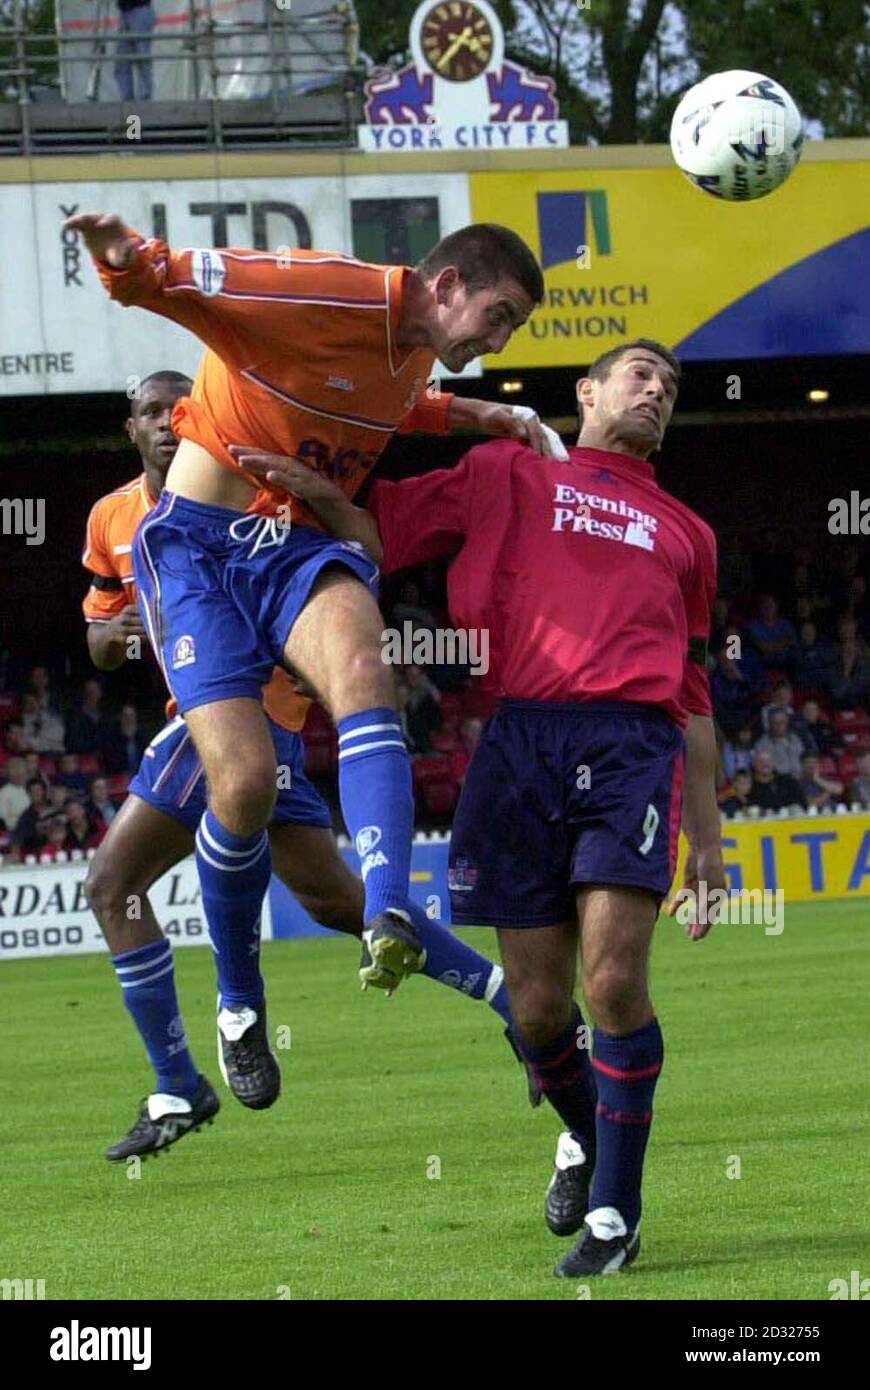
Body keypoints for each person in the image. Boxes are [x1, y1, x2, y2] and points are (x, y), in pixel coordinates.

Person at [245, 337, 725, 1279]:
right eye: (640, 375)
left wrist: (708, 840)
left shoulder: (688, 533)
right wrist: (304, 482)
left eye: (670, 385)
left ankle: (616, 1217)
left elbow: (697, 692)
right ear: (585, 392)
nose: (657, 391)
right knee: (541, 1012)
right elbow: (377, 534)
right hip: (517, 745)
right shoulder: (508, 472)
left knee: (614, 984)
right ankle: (591, 1138)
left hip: (632, 749)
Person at [67, 210, 551, 1088]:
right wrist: (124, 261)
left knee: (369, 673)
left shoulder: (413, 348)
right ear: (446, 287)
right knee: (243, 788)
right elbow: (179, 281)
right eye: (501, 315)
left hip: (292, 545)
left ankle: (391, 910)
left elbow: (394, 403)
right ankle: (239, 1006)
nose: (500, 337)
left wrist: (483, 414)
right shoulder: (321, 289)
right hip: (200, 550)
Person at [114, 0, 156, 103]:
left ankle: (144, 99)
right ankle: (127, 100)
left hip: (140, 10)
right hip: (127, 12)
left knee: (141, 58)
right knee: (122, 61)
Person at [753, 708, 804, 779]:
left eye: (782, 722)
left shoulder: (795, 739)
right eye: (775, 723)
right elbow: (762, 769)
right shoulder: (762, 744)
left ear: (787, 722)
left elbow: (802, 758)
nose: (779, 725)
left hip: (799, 778)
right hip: (778, 780)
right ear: (770, 724)